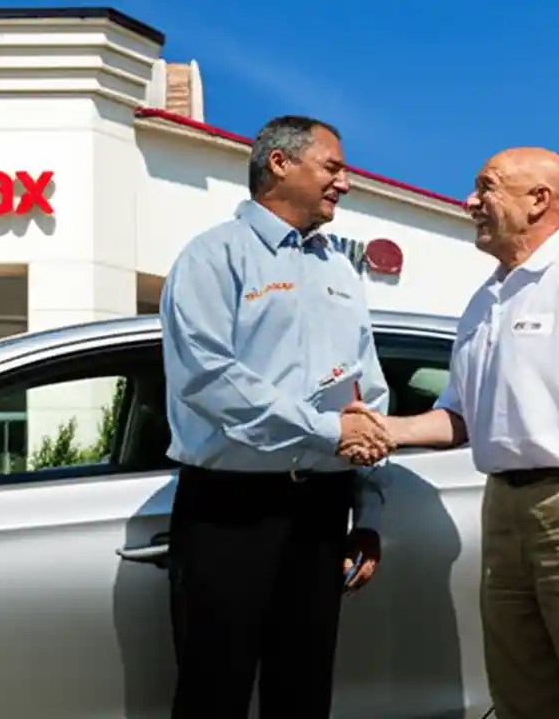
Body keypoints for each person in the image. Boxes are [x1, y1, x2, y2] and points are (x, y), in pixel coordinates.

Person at [347, 147, 559, 719]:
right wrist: (383, 428)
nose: (470, 201)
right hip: (502, 511)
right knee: (521, 695)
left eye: (486, 187)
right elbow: (460, 417)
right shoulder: (485, 300)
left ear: (538, 201)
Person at [158, 114, 395, 719]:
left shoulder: (340, 270)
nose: (345, 183)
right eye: (332, 167)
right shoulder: (214, 257)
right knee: (214, 692)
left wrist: (364, 506)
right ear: (280, 163)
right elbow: (207, 378)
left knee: (304, 692)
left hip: (322, 509)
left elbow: (367, 391)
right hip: (230, 508)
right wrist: (328, 432)